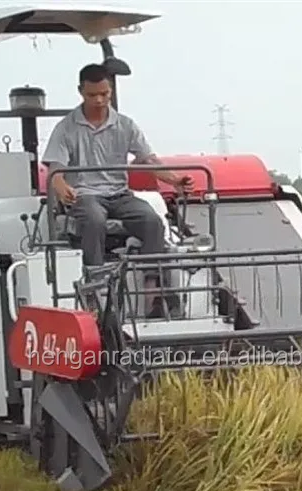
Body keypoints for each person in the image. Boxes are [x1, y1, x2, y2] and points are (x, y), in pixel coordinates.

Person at [41, 63, 194, 317]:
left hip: (119, 194)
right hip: (85, 194)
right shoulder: (66, 127)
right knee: (94, 218)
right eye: (93, 95)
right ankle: (94, 286)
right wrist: (62, 187)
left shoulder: (125, 125)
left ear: (110, 91)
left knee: (152, 220)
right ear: (81, 91)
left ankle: (154, 292)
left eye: (105, 94)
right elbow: (54, 169)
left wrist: (175, 180)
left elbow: (148, 160)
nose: (100, 100)